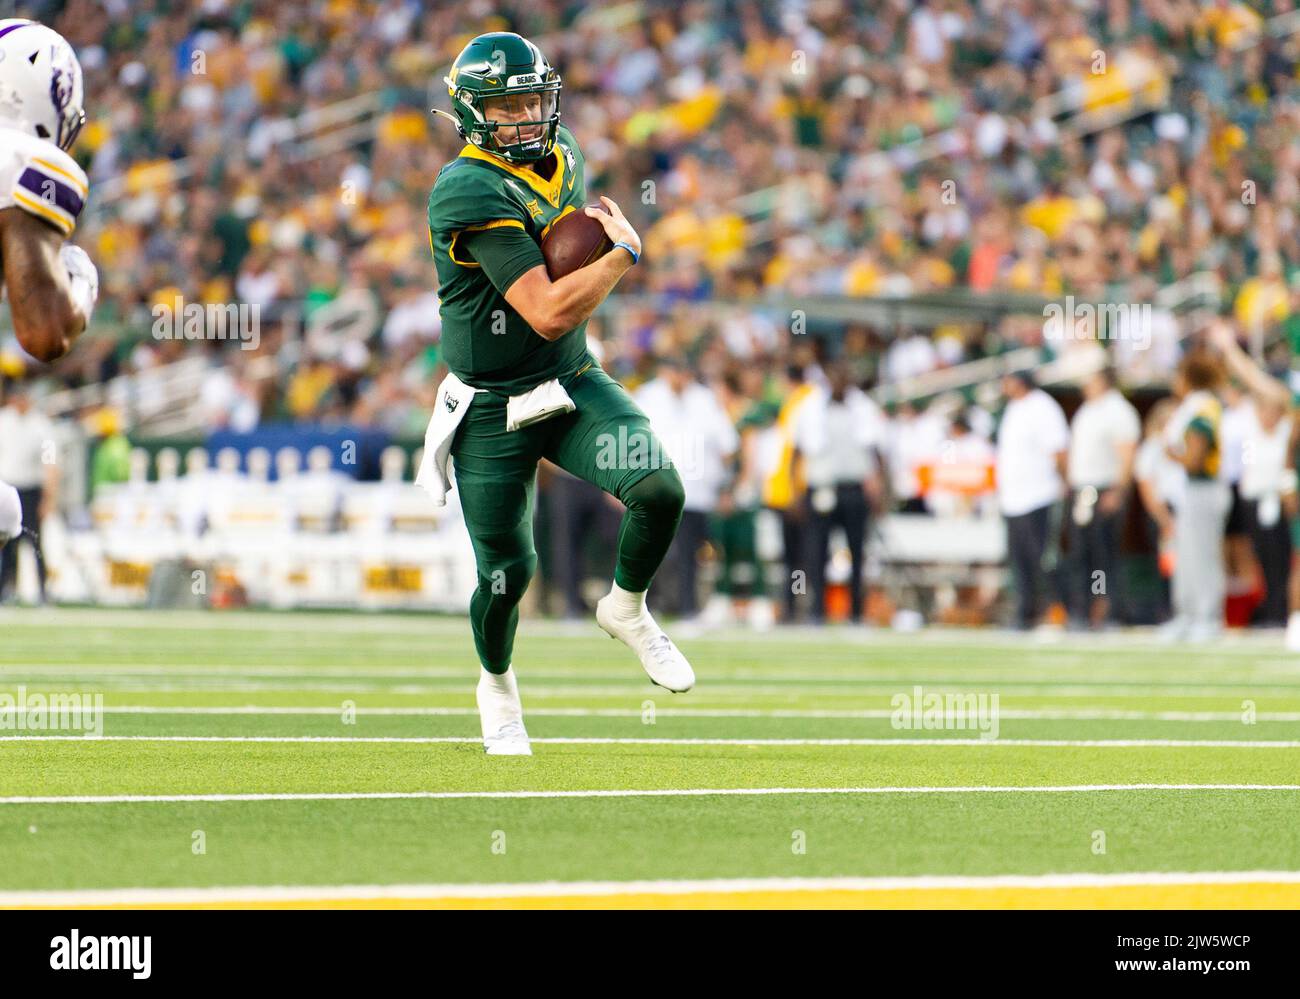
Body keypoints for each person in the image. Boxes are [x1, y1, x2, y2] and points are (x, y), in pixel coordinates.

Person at [418, 33, 691, 757]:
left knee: (659, 487)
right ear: (471, 114)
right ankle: (497, 684)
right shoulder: (466, 189)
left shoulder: (563, 151)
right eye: (506, 106)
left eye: (533, 100)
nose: (525, 117)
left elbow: (562, 257)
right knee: (507, 575)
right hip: (490, 405)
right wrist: (623, 255)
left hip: (568, 380)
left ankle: (626, 607)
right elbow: (544, 309)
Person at [634, 358, 739, 619]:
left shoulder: (705, 399)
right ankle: (648, 606)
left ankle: (688, 607)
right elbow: (630, 439)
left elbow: (727, 445)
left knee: (689, 554)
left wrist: (726, 486)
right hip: (654, 489)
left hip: (695, 492)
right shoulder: (647, 396)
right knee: (650, 551)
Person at [792, 361, 885, 624]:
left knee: (858, 550)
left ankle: (856, 612)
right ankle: (816, 611)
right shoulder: (810, 407)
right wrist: (796, 491)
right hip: (821, 487)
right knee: (816, 551)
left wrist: (879, 491)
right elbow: (797, 451)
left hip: (853, 488)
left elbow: (876, 452)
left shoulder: (863, 407)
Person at [1162, 349, 1229, 642]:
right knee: (1186, 556)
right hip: (1190, 492)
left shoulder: (1202, 409)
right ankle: (1186, 615)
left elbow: (1194, 460)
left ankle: (1207, 616)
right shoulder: (1195, 406)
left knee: (1202, 556)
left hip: (1204, 489)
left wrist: (1171, 455)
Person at [1064, 367, 1139, 628]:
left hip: (1104, 490)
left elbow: (1127, 454)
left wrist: (1118, 491)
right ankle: (1084, 610)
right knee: (1081, 554)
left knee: (1103, 557)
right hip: (1082, 491)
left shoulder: (1117, 411)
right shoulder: (1087, 410)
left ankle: (1107, 610)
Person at [995, 370, 1070, 629]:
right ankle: (1025, 613)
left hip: (1039, 495)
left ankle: (1061, 610)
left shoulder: (1043, 406)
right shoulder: (1013, 409)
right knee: (1020, 561)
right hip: (1013, 499)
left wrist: (1064, 482)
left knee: (1045, 559)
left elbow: (1059, 450)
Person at [0, 382, 59, 603]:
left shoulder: (41, 425)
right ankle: (6, 589)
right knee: (7, 542)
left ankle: (42, 590)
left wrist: (49, 497)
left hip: (31, 490)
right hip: (7, 489)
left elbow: (50, 463)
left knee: (35, 541)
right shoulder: (3, 420)